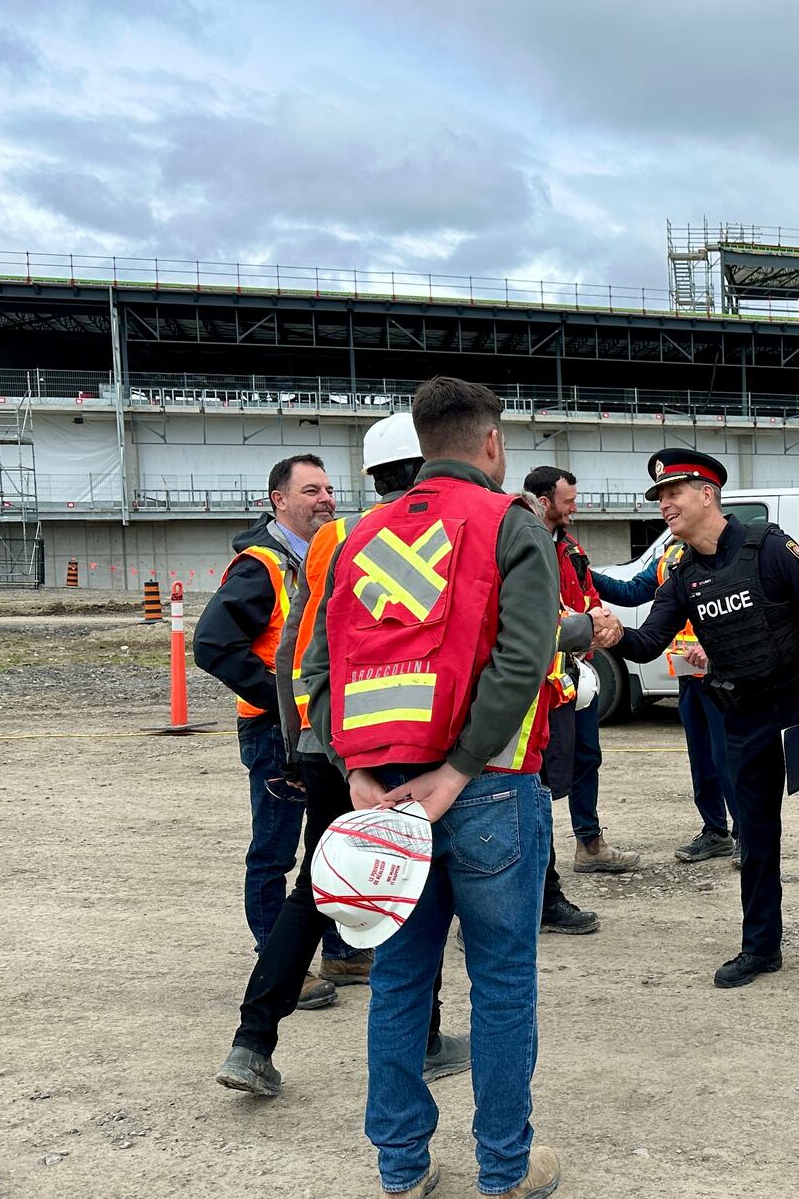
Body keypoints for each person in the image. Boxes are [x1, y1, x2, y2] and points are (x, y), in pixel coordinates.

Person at [304, 377, 584, 1199]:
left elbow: (317, 669)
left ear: (423, 442)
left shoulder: (356, 538)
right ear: (491, 443)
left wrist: (358, 769)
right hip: (489, 788)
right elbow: (525, 659)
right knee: (501, 983)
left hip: (382, 797)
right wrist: (457, 771)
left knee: (397, 981)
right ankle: (504, 1169)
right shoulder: (510, 525)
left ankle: (402, 1169)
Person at [215, 415, 470, 1098]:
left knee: (317, 883)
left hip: (329, 738)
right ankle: (421, 1040)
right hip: (406, 739)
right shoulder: (448, 533)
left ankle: (253, 1040)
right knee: (416, 880)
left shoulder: (334, 536)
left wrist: (303, 735)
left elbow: (296, 643)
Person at [606, 448, 799, 989]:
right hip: (745, 721)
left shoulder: (771, 548)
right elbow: (647, 643)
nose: (664, 505)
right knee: (755, 840)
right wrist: (611, 635)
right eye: (660, 496)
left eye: (672, 493)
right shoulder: (683, 575)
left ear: (706, 494)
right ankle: (761, 949)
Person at [193, 453, 353, 1008]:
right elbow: (212, 645)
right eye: (311, 490)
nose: (326, 499)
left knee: (328, 845)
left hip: (320, 728)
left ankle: (338, 949)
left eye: (330, 489)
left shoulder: (326, 556)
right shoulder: (261, 564)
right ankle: (277, 961)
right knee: (275, 849)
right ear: (278, 500)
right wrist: (278, 698)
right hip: (274, 732)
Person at [524, 466, 639, 936]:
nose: (575, 507)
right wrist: (583, 623)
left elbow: (589, 596)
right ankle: (532, 894)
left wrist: (601, 621)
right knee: (534, 787)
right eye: (568, 501)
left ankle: (588, 844)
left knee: (583, 761)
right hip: (534, 687)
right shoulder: (520, 541)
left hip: (570, 677)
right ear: (543, 500)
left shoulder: (570, 548)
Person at [591, 542, 740, 865]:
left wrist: (715, 647)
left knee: (727, 758)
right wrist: (585, 574)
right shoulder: (670, 558)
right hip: (689, 677)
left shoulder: (727, 554)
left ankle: (745, 833)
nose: (667, 511)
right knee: (702, 760)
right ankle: (716, 831)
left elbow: (744, 612)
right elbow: (631, 592)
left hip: (723, 677)